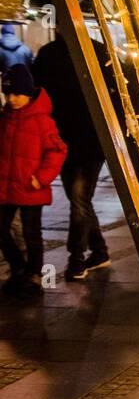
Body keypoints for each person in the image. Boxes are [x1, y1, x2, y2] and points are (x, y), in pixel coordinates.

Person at [33, 33, 111, 279]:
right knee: (80, 199)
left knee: (79, 198)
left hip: (83, 139)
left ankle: (76, 258)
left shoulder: (53, 54)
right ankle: (99, 251)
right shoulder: (93, 51)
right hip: (77, 139)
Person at [0, 64, 67, 298]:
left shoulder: (41, 121)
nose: (11, 99)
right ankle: (19, 268)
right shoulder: (5, 118)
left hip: (30, 187)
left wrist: (41, 178)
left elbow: (57, 150)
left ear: (28, 93)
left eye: (16, 94)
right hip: (5, 187)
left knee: (32, 233)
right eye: (7, 93)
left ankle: (34, 276)